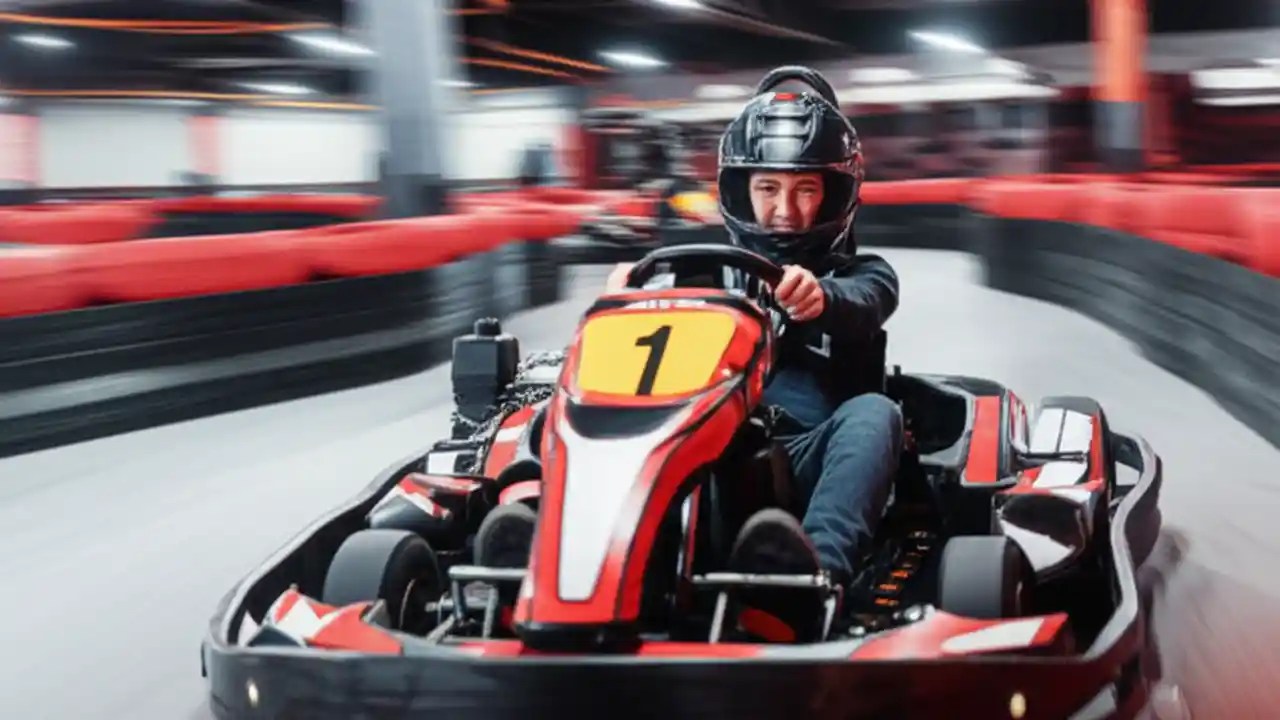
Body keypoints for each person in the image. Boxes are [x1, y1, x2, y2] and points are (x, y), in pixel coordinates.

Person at [605, 67, 903, 641]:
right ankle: (550, 546)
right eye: (768, 189)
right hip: (692, 443)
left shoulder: (863, 275)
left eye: (805, 190)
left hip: (802, 456)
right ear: (742, 190)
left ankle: (809, 581)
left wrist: (820, 299)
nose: (785, 209)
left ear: (835, 194)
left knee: (875, 413)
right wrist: (624, 300)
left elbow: (866, 302)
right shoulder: (696, 272)